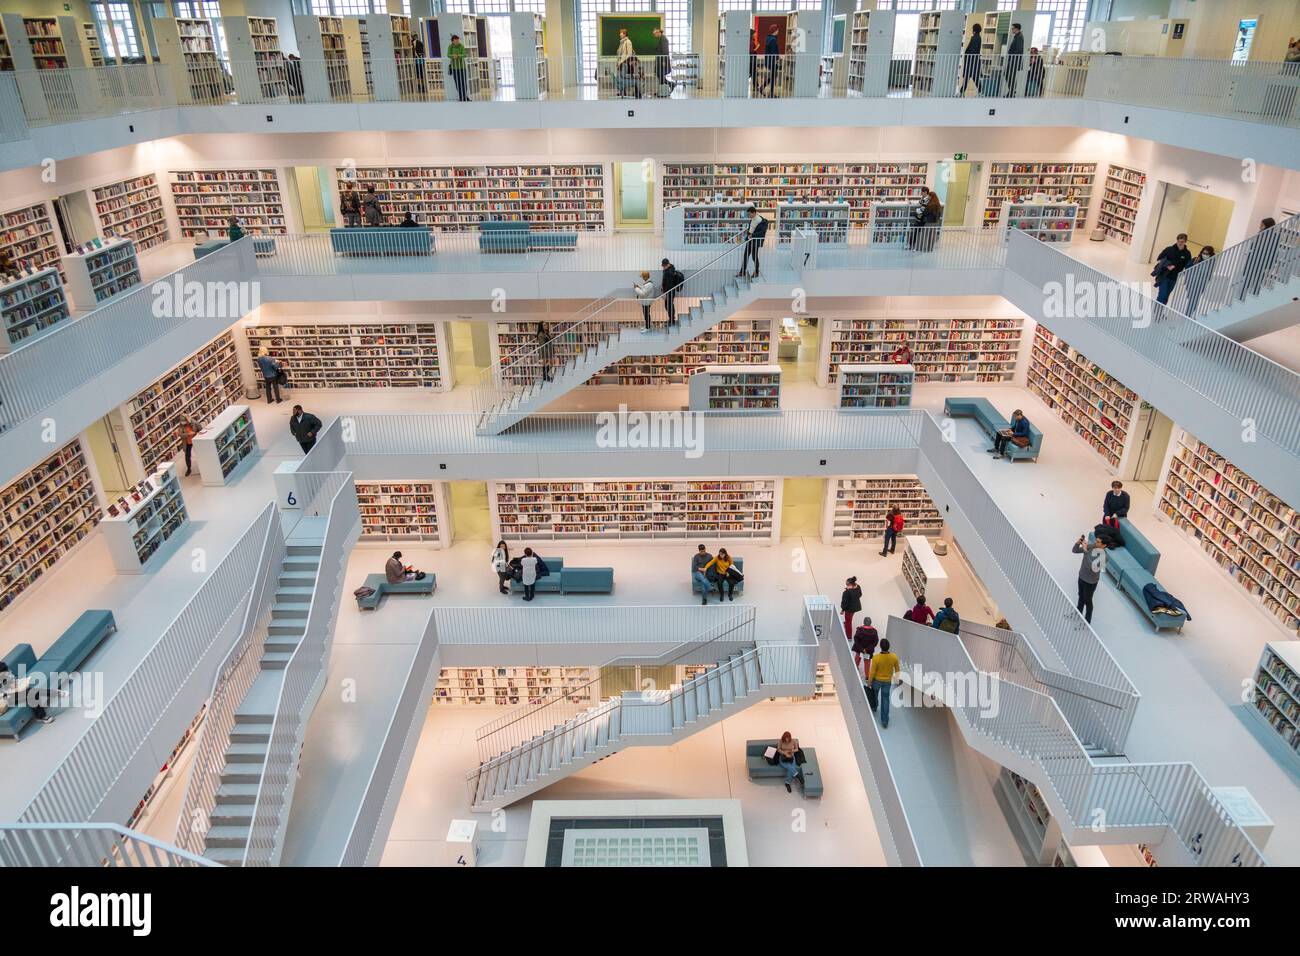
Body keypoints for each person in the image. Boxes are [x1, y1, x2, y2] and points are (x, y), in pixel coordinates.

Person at [1240, 217, 1280, 300]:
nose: (1260, 226)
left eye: (1262, 225)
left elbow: (1273, 251)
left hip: (1262, 262)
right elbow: (1254, 246)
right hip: (1253, 260)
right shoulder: (1260, 233)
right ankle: (1242, 296)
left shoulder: (1274, 236)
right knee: (1247, 278)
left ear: (1268, 226)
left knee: (1258, 280)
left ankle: (1254, 296)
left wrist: (1269, 265)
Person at [1152, 233, 1192, 306]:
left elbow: (1188, 266)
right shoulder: (1169, 249)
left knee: (1166, 296)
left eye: (1182, 242)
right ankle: (1157, 311)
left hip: (1174, 278)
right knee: (1162, 295)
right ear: (1177, 240)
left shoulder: (1187, 254)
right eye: (1179, 241)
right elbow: (1159, 258)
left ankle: (1159, 312)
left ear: (1185, 242)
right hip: (1164, 276)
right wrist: (1167, 266)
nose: (1180, 243)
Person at [1073, 534, 1106, 624]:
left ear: (1104, 545)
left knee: (1088, 601)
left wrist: (1085, 551)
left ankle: (1087, 622)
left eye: (1098, 542)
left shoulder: (1104, 557)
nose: (1095, 542)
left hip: (1090, 582)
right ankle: (1078, 614)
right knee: (1080, 596)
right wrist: (1077, 544)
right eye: (1096, 540)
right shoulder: (1092, 547)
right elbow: (1074, 550)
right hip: (1082, 576)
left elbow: (1091, 567)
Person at [868, 638, 900, 728]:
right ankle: (884, 721)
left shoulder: (876, 658)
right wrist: (897, 680)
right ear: (888, 647)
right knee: (885, 700)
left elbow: (872, 672)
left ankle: (875, 706)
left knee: (875, 694)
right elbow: (897, 670)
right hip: (887, 682)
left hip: (877, 681)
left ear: (880, 647)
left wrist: (869, 682)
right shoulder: (894, 657)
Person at [1182, 245, 1216, 316]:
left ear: (1210, 254)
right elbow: (1187, 267)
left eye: (1207, 254)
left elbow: (1209, 274)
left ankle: (1188, 314)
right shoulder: (1196, 259)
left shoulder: (1211, 263)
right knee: (1191, 297)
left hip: (1201, 284)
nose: (1205, 255)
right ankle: (1189, 313)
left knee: (1194, 299)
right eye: (1204, 253)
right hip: (1191, 282)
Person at [737, 205, 768, 279]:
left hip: (755, 241)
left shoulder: (760, 220)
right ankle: (742, 272)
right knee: (745, 256)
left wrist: (752, 235)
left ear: (754, 213)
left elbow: (762, 232)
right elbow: (751, 228)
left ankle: (756, 272)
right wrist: (748, 235)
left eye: (749, 214)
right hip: (750, 240)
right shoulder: (752, 219)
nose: (748, 215)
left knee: (754, 257)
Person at [851, 618, 878, 682]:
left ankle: (855, 669)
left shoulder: (860, 630)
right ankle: (867, 677)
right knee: (867, 663)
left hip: (859, 650)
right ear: (870, 623)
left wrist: (861, 649)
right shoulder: (874, 631)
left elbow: (856, 639)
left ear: (864, 622)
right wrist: (867, 649)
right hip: (868, 652)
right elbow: (875, 642)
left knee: (857, 659)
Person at [960, 22, 982, 96]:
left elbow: (972, 50)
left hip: (971, 62)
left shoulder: (975, 38)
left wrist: (967, 55)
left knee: (968, 77)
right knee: (973, 78)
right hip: (974, 62)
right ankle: (981, 91)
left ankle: (961, 92)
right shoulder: (978, 37)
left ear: (974, 29)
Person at [661, 258, 684, 327]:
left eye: (664, 265)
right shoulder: (668, 270)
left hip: (670, 291)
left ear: (667, 264)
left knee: (669, 305)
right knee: (668, 305)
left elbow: (669, 284)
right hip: (670, 291)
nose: (663, 267)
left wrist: (665, 292)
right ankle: (671, 319)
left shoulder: (669, 272)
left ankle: (672, 320)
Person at [1003, 22, 1024, 96]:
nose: (1012, 29)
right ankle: (1012, 91)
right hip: (1013, 60)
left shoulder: (1019, 37)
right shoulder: (1017, 36)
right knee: (1009, 75)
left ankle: (1012, 91)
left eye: (1012, 28)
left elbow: (1019, 49)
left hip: (1014, 60)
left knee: (1009, 74)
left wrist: (1011, 56)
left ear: (1016, 29)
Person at [653, 27, 674, 96]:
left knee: (660, 75)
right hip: (660, 61)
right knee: (660, 75)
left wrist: (664, 61)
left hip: (662, 62)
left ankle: (671, 85)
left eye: (654, 33)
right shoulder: (661, 39)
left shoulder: (663, 39)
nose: (654, 35)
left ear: (658, 32)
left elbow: (665, 51)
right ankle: (662, 91)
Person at [448, 34, 469, 102]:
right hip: (454, 68)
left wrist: (458, 56)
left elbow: (464, 54)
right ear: (452, 41)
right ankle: (461, 97)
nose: (457, 41)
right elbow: (448, 54)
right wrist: (452, 56)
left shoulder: (461, 46)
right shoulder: (450, 46)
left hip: (462, 67)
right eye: (456, 40)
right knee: (457, 83)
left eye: (458, 40)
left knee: (464, 83)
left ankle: (465, 96)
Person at [763, 25, 780, 98]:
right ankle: (771, 93)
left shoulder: (768, 38)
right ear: (775, 31)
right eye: (777, 30)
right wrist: (776, 60)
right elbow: (773, 52)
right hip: (772, 61)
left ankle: (762, 87)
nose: (778, 31)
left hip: (768, 61)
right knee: (774, 76)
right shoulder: (773, 40)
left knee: (773, 76)